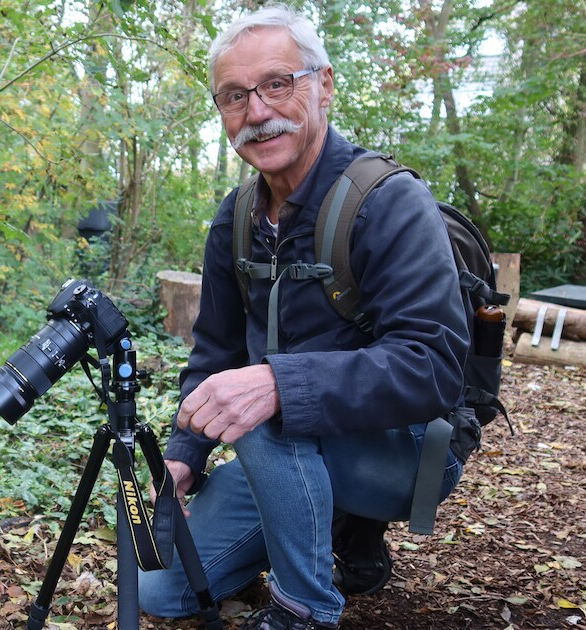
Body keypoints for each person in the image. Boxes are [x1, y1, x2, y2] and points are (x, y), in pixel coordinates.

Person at [138, 6, 470, 629]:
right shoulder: (235, 219)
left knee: (263, 406)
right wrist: (183, 454)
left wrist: (275, 385)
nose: (257, 112)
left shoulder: (390, 202)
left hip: (411, 452)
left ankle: (305, 610)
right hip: (293, 448)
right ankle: (341, 533)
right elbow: (214, 355)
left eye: (277, 84)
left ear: (324, 85)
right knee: (158, 589)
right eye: (235, 95)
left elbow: (435, 368)